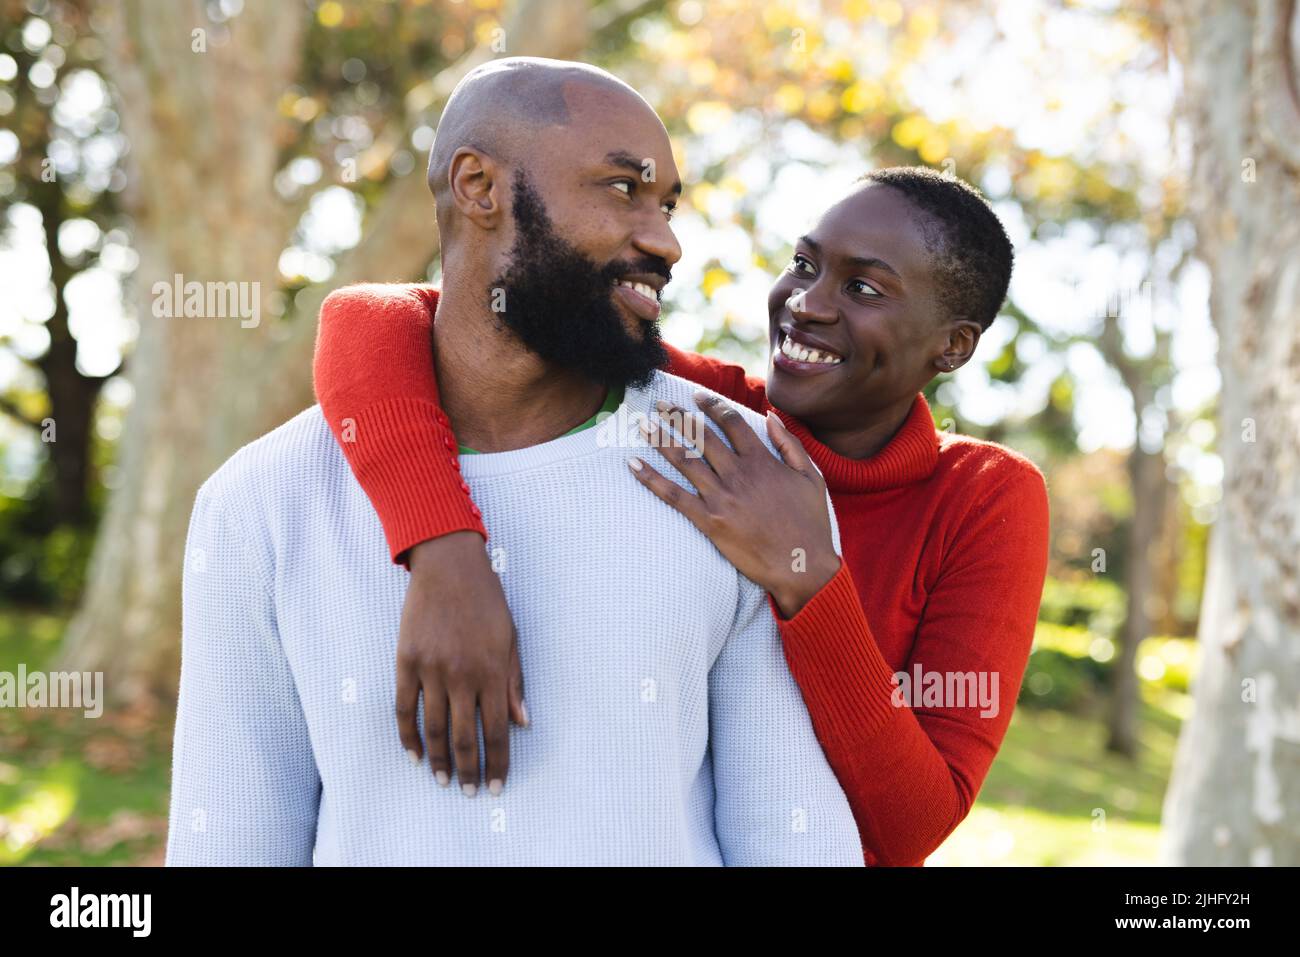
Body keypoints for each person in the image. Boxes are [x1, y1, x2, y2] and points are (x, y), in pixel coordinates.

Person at [166, 57, 862, 866]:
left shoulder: (735, 473)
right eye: (622, 189)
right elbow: (234, 842)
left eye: (667, 204)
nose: (664, 239)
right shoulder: (261, 502)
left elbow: (790, 833)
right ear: (477, 186)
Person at [315, 158, 1051, 864]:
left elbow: (913, 823)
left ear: (951, 347)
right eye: (805, 263)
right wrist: (444, 553)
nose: (807, 302)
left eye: (864, 290)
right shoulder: (708, 416)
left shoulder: (985, 495)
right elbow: (369, 317)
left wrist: (806, 571)